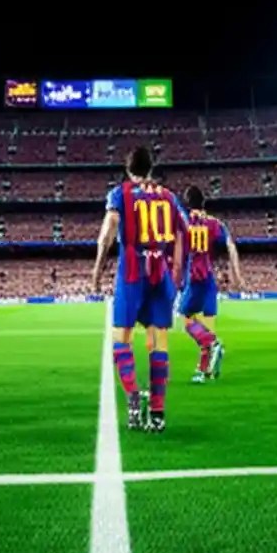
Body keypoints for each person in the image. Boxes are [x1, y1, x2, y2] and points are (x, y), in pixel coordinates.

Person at [92, 146, 186, 433]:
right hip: (160, 272)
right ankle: (157, 411)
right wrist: (177, 271)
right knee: (159, 342)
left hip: (132, 271)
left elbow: (108, 231)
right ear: (151, 168)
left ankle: (133, 395)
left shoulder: (120, 194)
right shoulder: (168, 197)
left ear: (127, 169)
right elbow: (182, 233)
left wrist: (97, 271)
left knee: (122, 339)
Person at [177, 185, 243, 384]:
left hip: (193, 276)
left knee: (186, 319)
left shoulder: (184, 222)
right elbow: (230, 245)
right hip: (208, 277)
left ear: (187, 204)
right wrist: (237, 275)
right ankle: (203, 370)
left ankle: (213, 344)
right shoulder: (214, 223)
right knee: (204, 326)